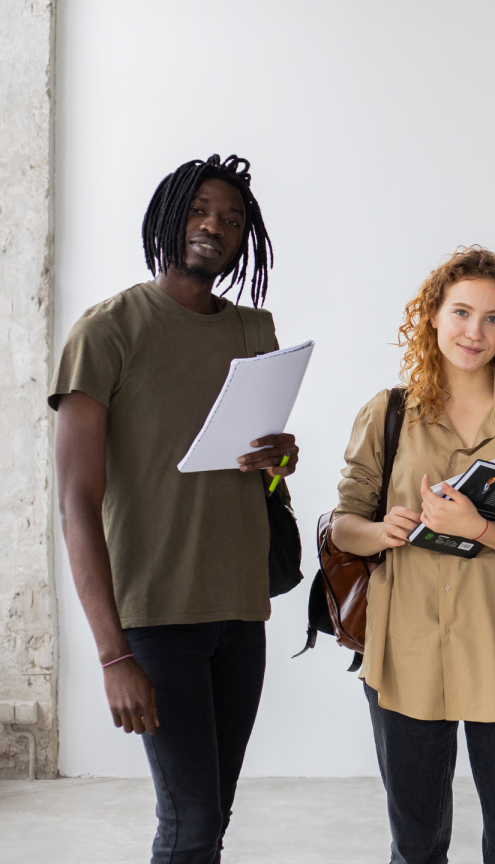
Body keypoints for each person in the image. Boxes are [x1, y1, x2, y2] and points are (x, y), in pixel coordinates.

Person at [52, 154, 297, 863]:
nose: (214, 226)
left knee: (209, 816)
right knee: (189, 824)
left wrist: (279, 460)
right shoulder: (108, 331)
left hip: (240, 609)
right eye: (198, 210)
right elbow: (75, 502)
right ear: (167, 216)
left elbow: (262, 480)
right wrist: (113, 655)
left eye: (232, 218)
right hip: (156, 616)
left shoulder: (255, 330)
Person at [329, 247, 495, 864]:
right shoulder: (387, 412)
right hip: (405, 649)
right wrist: (382, 530)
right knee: (414, 844)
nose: (475, 332)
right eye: (462, 312)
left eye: (494, 319)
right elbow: (343, 525)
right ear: (433, 315)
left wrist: (477, 527)